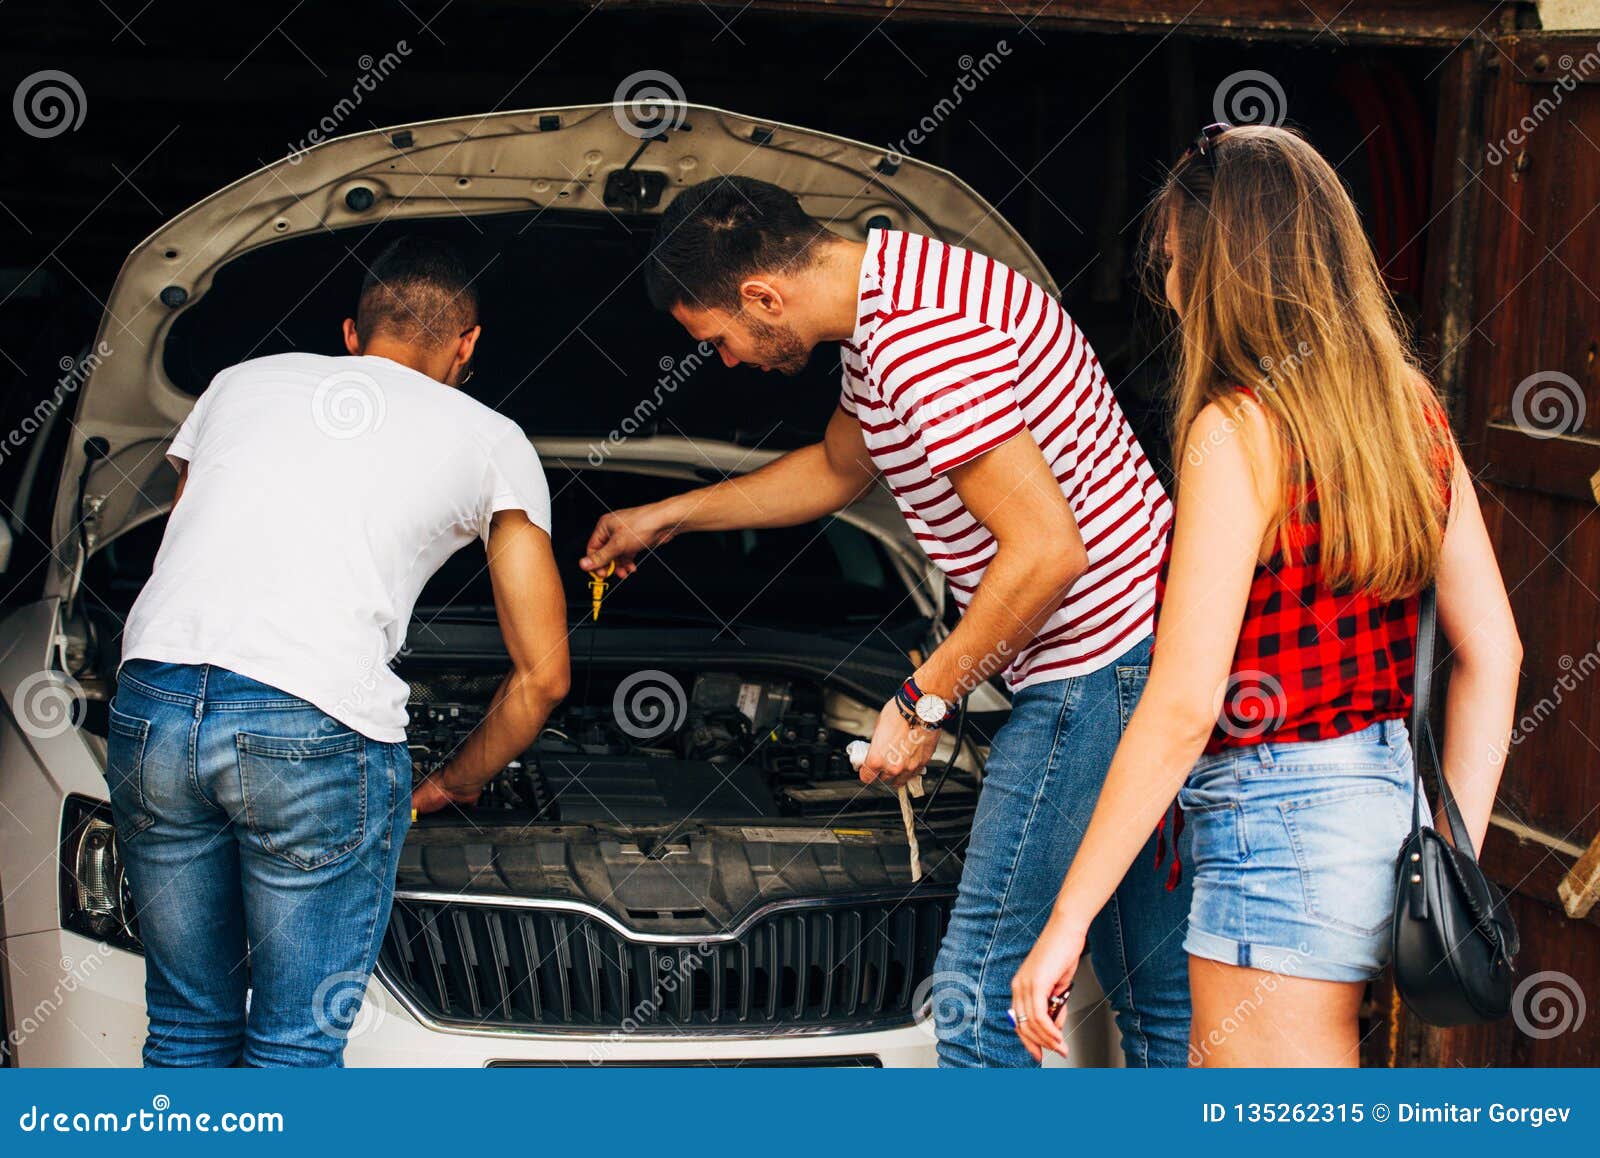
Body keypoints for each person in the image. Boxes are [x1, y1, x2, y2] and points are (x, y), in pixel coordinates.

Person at [579, 176, 1191, 1067]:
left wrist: (924, 699)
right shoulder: (901, 296)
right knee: (1155, 993)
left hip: (1092, 672)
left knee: (981, 998)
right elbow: (835, 470)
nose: (728, 362)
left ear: (762, 296)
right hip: (1138, 657)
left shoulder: (919, 343)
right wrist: (667, 516)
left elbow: (1047, 552)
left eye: (718, 338)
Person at [1011, 124, 1521, 1067]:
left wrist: (1068, 918)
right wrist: (1450, 853)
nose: (1163, 284)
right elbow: (1497, 652)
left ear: (1218, 272)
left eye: (1171, 260)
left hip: (1280, 819)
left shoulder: (1237, 431)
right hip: (1383, 812)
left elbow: (1182, 705)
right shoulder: (1410, 413)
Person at [109, 236, 570, 1067]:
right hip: (309, 724)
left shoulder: (237, 385)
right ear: (469, 345)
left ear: (352, 335)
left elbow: (182, 549)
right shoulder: (491, 437)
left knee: (186, 1025)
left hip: (154, 704)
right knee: (294, 1043)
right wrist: (449, 784)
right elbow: (543, 676)